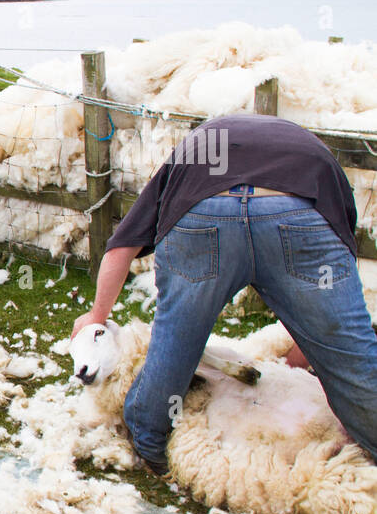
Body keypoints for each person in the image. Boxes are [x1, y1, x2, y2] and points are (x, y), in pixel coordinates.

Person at [73, 114, 377, 474]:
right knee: (350, 354)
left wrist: (96, 314)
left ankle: (151, 443)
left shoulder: (192, 150)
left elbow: (122, 246)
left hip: (201, 216)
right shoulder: (316, 155)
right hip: (297, 212)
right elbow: (323, 308)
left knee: (175, 343)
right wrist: (311, 353)